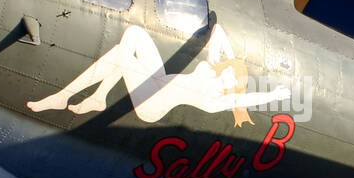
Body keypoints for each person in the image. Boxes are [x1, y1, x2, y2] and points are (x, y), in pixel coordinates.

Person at [27, 23, 289, 126]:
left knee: (121, 54)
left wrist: (273, 94)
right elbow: (218, 30)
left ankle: (67, 97)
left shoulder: (215, 100)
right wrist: (232, 60)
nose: (230, 75)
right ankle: (98, 97)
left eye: (235, 79)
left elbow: (244, 100)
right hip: (156, 79)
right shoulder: (212, 67)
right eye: (232, 72)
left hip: (150, 105)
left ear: (234, 86)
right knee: (132, 36)